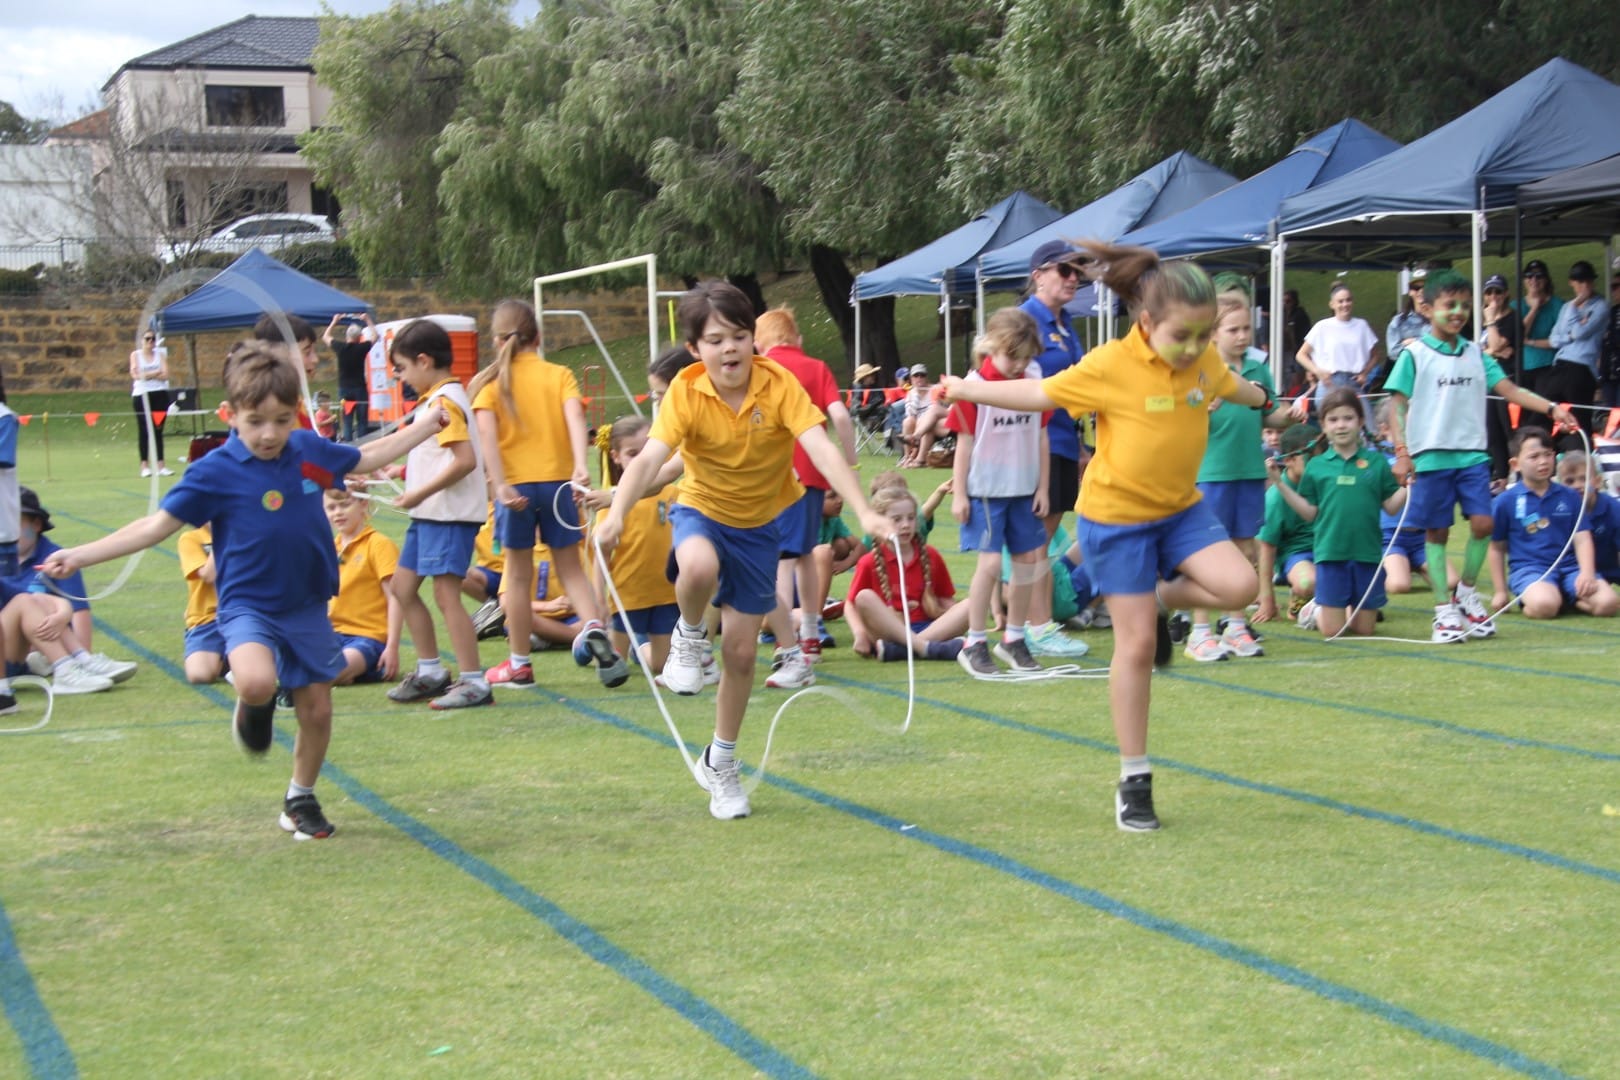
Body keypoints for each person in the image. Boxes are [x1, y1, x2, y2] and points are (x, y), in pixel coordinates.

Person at [38, 342, 449, 840]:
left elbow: (363, 458)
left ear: (295, 414)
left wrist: (425, 426)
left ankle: (300, 795)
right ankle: (251, 709)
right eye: (256, 421)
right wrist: (78, 555)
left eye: (281, 419)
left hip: (309, 604)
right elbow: (154, 527)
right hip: (247, 605)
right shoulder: (216, 473)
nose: (270, 433)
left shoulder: (307, 454)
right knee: (255, 682)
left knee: (316, 709)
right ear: (230, 415)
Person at [939, 242, 1272, 832]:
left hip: (1181, 510)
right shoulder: (1110, 364)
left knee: (1240, 586)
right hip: (1115, 520)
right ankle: (1134, 779)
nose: (1195, 349)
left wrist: (1267, 401)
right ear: (1146, 323)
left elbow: (1233, 386)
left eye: (1205, 335)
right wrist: (968, 390)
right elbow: (1038, 395)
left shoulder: (1202, 361)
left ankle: (1164, 595)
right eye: (1183, 336)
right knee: (1138, 646)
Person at [595, 281, 892, 821]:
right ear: (694, 349)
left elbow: (821, 448)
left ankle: (721, 760)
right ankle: (687, 638)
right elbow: (649, 461)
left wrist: (864, 509)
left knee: (741, 654)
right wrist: (615, 513)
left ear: (753, 339)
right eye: (715, 340)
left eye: (739, 336)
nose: (729, 348)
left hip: (760, 526)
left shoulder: (778, 385)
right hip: (702, 509)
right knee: (699, 565)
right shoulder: (685, 392)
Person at [1384, 269, 1576, 642]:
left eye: (1463, 306)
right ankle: (1443, 612)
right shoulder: (1415, 355)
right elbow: (1397, 405)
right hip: (1431, 457)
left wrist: (1553, 408)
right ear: (1427, 308)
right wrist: (1402, 452)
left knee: (1483, 524)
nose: (1457, 312)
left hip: (1472, 455)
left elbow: (1510, 389)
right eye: (1448, 305)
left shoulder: (1476, 353)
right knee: (1437, 532)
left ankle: (1466, 594)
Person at [470, 299, 625, 689]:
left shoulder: (490, 385)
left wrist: (500, 483)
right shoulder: (559, 374)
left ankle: (519, 665)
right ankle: (593, 627)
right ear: (538, 337)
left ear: (496, 341)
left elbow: (486, 435)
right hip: (558, 485)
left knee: (517, 578)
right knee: (571, 566)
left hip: (517, 488)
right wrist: (580, 466)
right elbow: (576, 417)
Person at [383, 319, 492, 710]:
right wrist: (402, 471)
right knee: (402, 588)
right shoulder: (436, 399)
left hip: (447, 515)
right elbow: (438, 455)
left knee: (447, 596)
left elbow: (464, 461)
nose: (402, 377)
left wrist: (417, 493)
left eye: (403, 368)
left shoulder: (445, 402)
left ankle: (474, 681)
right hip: (431, 514)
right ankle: (431, 671)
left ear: (424, 361)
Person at [1186, 289, 1298, 661]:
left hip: (1249, 471)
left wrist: (1290, 416)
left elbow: (1269, 414)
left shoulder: (1258, 369)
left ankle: (1235, 626)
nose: (1242, 336)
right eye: (1233, 329)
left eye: (1247, 328)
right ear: (1213, 332)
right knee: (1206, 552)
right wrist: (1204, 407)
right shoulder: (1200, 370)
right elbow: (1181, 419)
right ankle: (1199, 631)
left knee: (1244, 550)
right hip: (1210, 472)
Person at [944, 307, 1049, 676]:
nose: (1018, 366)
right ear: (991, 348)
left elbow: (1040, 433)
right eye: (1011, 357)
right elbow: (965, 442)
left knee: (1027, 564)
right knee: (989, 564)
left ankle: (1014, 639)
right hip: (986, 490)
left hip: (1023, 488)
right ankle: (974, 641)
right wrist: (959, 494)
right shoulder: (973, 386)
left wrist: (1043, 486)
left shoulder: (1033, 378)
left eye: (1024, 358)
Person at [755, 305, 857, 678]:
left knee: (780, 558)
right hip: (811, 475)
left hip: (770, 476)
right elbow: (841, 416)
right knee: (807, 553)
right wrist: (849, 462)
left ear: (758, 342)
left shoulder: (761, 369)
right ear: (797, 338)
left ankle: (790, 643)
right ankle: (809, 634)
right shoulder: (817, 367)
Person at [1269, 389, 1406, 638]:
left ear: (1360, 422)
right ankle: (1310, 609)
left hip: (1368, 554)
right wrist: (1279, 484)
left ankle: (1343, 606)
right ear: (1323, 425)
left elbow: (1391, 506)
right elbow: (1310, 513)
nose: (1341, 425)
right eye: (1333, 420)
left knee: (1364, 630)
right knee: (1333, 631)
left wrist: (1408, 485)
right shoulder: (1317, 467)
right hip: (1331, 554)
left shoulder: (1375, 463)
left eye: (1348, 418)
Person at [1017, 239, 1092, 659]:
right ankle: (1035, 626)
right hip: (1034, 445)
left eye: (1077, 272)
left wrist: (1081, 445)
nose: (1074, 278)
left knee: (1042, 537)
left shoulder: (1064, 324)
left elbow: (1076, 387)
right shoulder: (1024, 321)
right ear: (1038, 274)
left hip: (1063, 441)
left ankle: (1033, 624)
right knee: (1036, 539)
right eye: (1065, 270)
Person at [1488, 428, 1618, 620]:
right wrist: (1500, 591)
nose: (1543, 461)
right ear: (1515, 464)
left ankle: (1568, 598)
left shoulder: (1570, 496)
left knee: (1608, 604)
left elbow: (1582, 539)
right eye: (1534, 457)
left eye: (1548, 455)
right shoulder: (1505, 501)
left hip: (1571, 568)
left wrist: (1587, 573)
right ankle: (1538, 599)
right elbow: (1496, 548)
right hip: (1531, 570)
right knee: (1545, 606)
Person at [590, 416, 678, 675]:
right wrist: (599, 599)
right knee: (610, 664)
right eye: (632, 454)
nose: (642, 460)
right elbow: (601, 554)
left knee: (661, 666)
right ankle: (584, 646)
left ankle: (639, 648)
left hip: (665, 593)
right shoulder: (614, 502)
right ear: (616, 456)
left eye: (647, 451)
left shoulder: (672, 493)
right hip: (628, 594)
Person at [846, 485, 967, 661]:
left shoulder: (931, 555)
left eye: (911, 518)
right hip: (885, 632)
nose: (905, 525)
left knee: (972, 604)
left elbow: (945, 599)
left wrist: (952, 613)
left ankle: (904, 650)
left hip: (928, 627)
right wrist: (860, 634)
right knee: (864, 597)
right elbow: (850, 605)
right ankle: (925, 648)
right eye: (897, 519)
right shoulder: (868, 561)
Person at [323, 485, 401, 687]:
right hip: (331, 635)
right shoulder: (330, 547)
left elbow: (396, 599)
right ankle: (355, 673)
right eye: (331, 508)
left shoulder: (379, 544)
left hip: (367, 638)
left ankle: (355, 670)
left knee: (324, 672)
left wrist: (391, 647)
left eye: (345, 505)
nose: (338, 512)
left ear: (363, 504)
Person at [1253, 423, 1320, 625]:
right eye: (1311, 459)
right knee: (1309, 582)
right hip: (1297, 555)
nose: (1319, 464)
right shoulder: (1276, 498)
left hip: (1331, 549)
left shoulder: (1325, 484)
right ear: (1289, 460)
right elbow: (1266, 545)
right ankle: (1301, 597)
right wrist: (1267, 598)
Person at [1542, 260, 1608, 444]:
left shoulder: (1600, 306)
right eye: (1580, 282)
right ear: (1572, 283)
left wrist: (1576, 306)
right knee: (1543, 411)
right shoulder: (1566, 307)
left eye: (1588, 281)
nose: (1585, 286)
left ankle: (1586, 460)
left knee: (1581, 419)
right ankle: (1548, 452)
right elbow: (1555, 339)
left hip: (1582, 368)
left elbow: (1580, 333)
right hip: (1561, 364)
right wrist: (1573, 330)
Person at [1297, 282, 1381, 419]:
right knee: (1331, 425)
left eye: (1348, 300)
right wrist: (1317, 371)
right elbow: (1301, 355)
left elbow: (1376, 354)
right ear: (1332, 304)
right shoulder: (1322, 327)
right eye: (1340, 301)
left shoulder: (1361, 325)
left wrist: (1365, 373)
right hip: (1330, 381)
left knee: (1368, 424)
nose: (1345, 304)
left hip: (1354, 381)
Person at [1557, 451, 1620, 583]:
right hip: (1577, 572)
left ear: (1597, 482)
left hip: (1613, 567)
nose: (1577, 485)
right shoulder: (1560, 513)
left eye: (1583, 479)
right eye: (1569, 481)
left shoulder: (1613, 508)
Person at [1481, 274, 1520, 480]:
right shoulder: (1484, 320)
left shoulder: (1511, 318)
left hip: (1507, 379)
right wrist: (1493, 350)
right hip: (1488, 380)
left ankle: (1517, 472)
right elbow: (1481, 350)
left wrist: (1490, 321)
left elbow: (1494, 345)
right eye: (1489, 292)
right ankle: (1501, 476)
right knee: (1492, 430)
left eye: (1497, 291)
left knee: (1508, 429)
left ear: (1506, 294)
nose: (1493, 296)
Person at [253, 313, 320, 429]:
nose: (315, 359)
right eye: (307, 352)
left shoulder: (295, 400)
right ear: (278, 355)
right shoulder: (273, 407)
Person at [1513, 260, 1563, 414]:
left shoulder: (1557, 305)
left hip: (1547, 365)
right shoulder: (1516, 305)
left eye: (1539, 276)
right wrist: (1534, 309)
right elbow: (1518, 334)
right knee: (1523, 411)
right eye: (1529, 276)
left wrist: (1530, 342)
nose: (1534, 280)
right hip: (1522, 366)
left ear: (1546, 279)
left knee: (1543, 410)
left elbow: (1558, 340)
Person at [178, 522, 225, 684]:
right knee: (200, 675)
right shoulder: (191, 539)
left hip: (245, 613)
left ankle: (233, 660)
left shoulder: (248, 533)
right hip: (207, 619)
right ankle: (228, 661)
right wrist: (225, 534)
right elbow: (209, 575)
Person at [323, 312, 376, 442]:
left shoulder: (340, 347)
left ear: (347, 336)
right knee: (362, 420)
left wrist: (334, 321)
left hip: (344, 388)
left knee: (346, 419)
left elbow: (325, 337)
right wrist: (367, 320)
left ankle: (348, 444)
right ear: (359, 338)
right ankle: (363, 445)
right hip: (359, 388)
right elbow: (375, 336)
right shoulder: (362, 348)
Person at [129, 328, 173, 477]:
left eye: (153, 339)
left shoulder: (160, 356)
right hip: (142, 394)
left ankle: (161, 465)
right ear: (142, 341)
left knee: (158, 429)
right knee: (145, 429)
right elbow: (136, 375)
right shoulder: (136, 355)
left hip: (159, 394)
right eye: (147, 339)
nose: (150, 342)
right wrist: (154, 373)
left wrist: (147, 375)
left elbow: (166, 374)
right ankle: (144, 466)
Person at [1385, 269, 1431, 361]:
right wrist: (1426, 344)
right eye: (1416, 288)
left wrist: (1412, 342)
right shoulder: (1398, 321)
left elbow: (1443, 345)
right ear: (1410, 292)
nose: (1421, 291)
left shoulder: (1439, 318)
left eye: (1425, 287)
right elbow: (1393, 352)